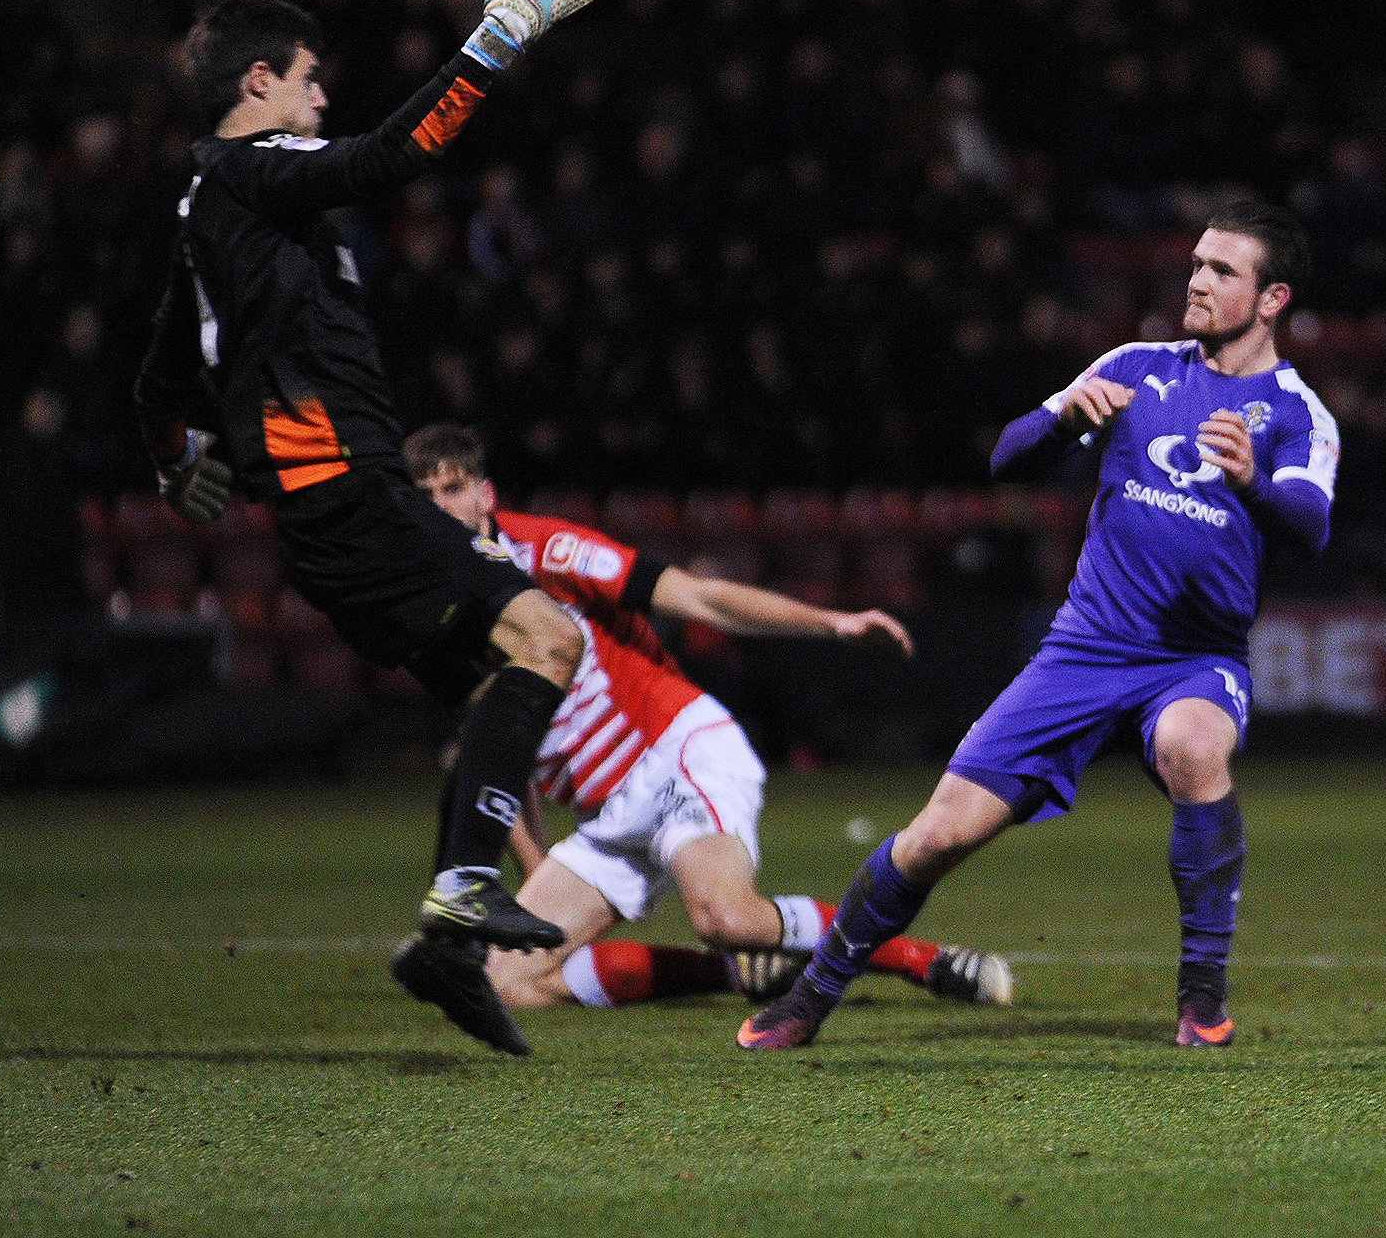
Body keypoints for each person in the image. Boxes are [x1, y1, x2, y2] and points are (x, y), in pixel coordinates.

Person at [132, 0, 598, 1056]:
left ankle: (448, 945)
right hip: (341, 486)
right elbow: (390, 155)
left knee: (493, 687)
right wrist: (493, 43)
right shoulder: (248, 176)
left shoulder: (221, 214)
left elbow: (159, 369)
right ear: (259, 87)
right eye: (304, 76)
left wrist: (171, 455)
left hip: (330, 501)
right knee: (549, 639)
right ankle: (459, 902)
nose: (319, 93)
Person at [738, 200, 1338, 1051]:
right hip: (1083, 652)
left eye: (1221, 271)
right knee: (936, 836)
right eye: (1197, 264)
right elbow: (1007, 456)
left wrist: (1253, 485)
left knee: (1194, 750)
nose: (1196, 281)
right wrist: (1062, 420)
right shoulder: (1137, 364)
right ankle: (810, 998)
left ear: (1272, 298)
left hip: (1196, 661)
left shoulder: (1298, 413)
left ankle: (1202, 999)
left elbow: (1310, 528)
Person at [402, 423, 1014, 1017]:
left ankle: (922, 960)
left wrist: (830, 623)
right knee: (511, 978)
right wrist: (538, 885)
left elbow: (699, 596)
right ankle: (735, 972)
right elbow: (496, 757)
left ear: (486, 495)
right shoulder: (436, 617)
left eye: (452, 489)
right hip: (608, 815)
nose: (440, 506)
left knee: (728, 917)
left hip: (673, 753)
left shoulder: (545, 551)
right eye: (424, 495)